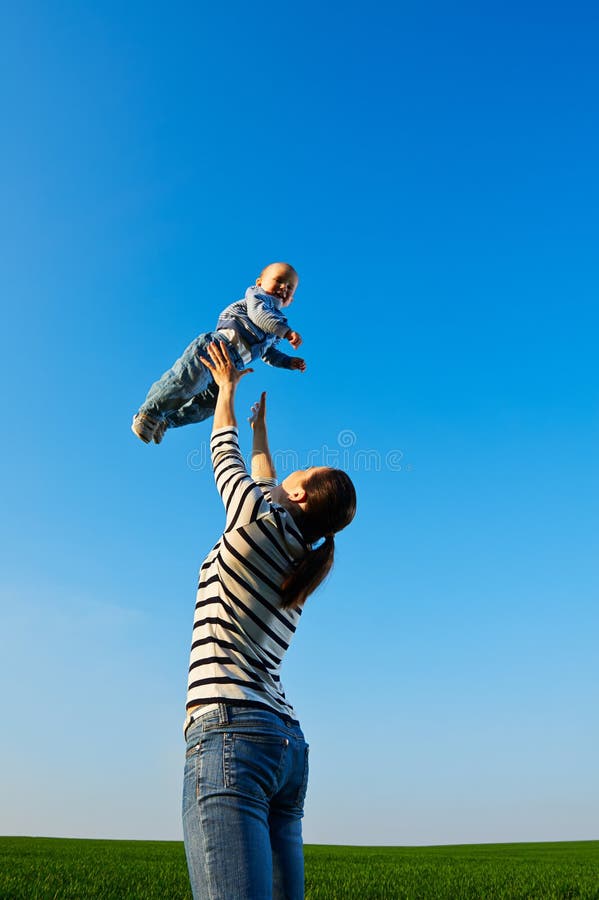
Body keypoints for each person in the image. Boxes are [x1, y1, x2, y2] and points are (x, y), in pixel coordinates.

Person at [182, 341, 356, 900]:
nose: (286, 474)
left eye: (298, 473)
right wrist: (263, 432)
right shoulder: (301, 557)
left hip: (232, 733)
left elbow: (224, 457)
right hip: (284, 746)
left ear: (298, 496)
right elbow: (263, 476)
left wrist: (226, 392)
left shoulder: (260, 520)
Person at [131, 262, 306, 444]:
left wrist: (287, 361)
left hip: (231, 366)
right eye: (278, 280)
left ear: (291, 300)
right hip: (216, 346)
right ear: (259, 282)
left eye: (289, 287)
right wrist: (286, 332)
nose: (283, 287)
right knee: (186, 382)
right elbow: (259, 316)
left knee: (209, 405)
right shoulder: (257, 297)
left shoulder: (276, 324)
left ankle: (166, 421)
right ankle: (149, 413)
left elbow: (268, 353)